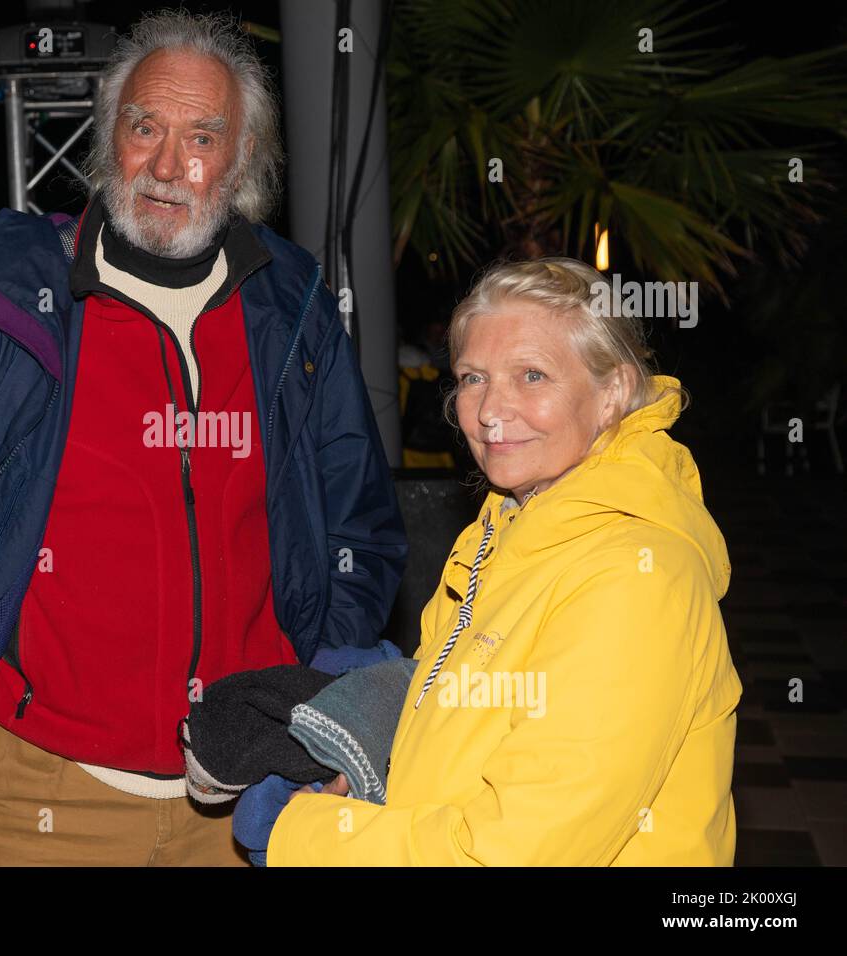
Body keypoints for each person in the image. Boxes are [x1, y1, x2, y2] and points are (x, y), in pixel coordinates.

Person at [0, 9, 407, 867]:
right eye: (145, 128)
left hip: (249, 800)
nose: (169, 166)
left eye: (203, 136)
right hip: (33, 798)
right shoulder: (1, 304)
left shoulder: (293, 313)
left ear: (243, 162)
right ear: (110, 140)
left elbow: (359, 526)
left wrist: (312, 708)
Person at [266, 257, 742, 865]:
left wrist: (307, 836)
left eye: (533, 375)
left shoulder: (635, 576)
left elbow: (516, 850)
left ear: (613, 392)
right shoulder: (503, 528)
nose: (490, 409)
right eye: (472, 378)